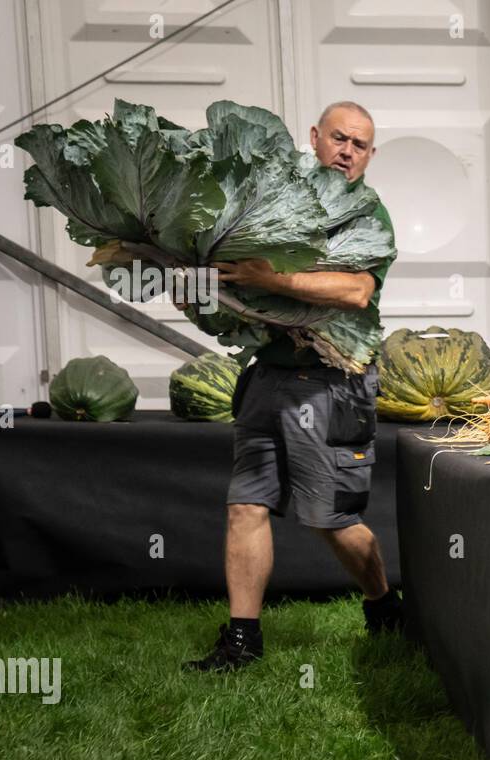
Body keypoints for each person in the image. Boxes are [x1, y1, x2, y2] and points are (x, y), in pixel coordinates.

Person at [183, 101, 400, 672]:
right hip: (267, 376)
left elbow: (356, 292)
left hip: (331, 385)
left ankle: (383, 604)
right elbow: (232, 301)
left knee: (330, 520)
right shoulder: (278, 200)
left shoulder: (367, 214)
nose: (347, 151)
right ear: (314, 137)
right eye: (338, 138)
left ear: (371, 157)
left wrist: (268, 277)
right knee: (244, 506)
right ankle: (242, 641)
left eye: (359, 144)